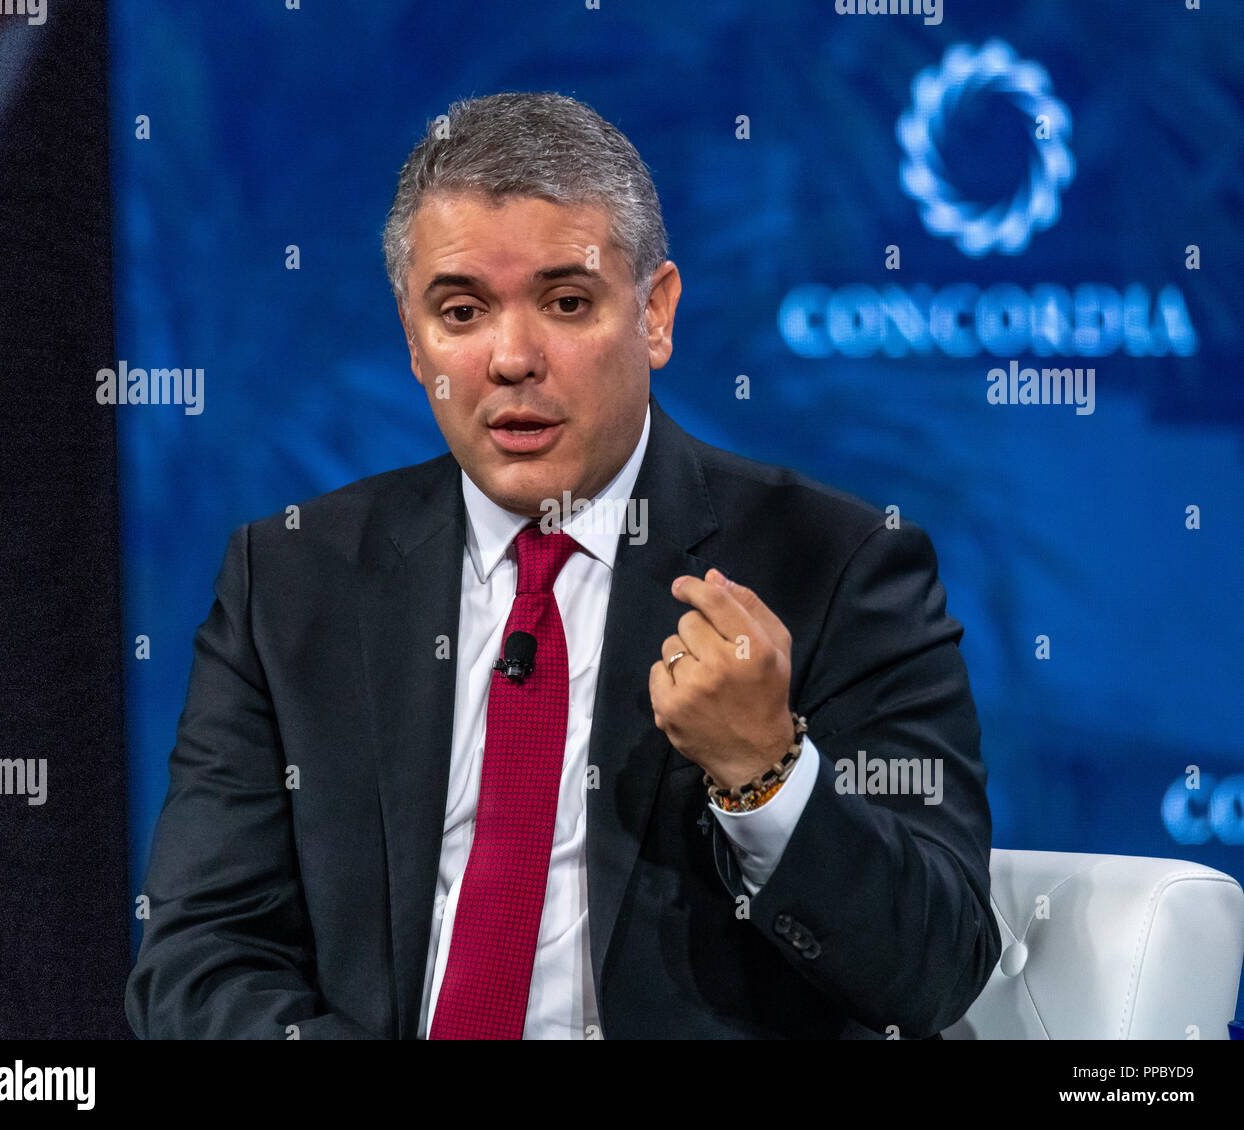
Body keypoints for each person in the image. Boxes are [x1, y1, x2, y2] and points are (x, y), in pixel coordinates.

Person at [124, 91, 998, 1040]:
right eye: (461, 311)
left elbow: (936, 970)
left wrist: (765, 772)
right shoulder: (292, 578)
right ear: (417, 345)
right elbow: (196, 960)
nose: (511, 358)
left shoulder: (831, 566)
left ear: (655, 315)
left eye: (566, 302)